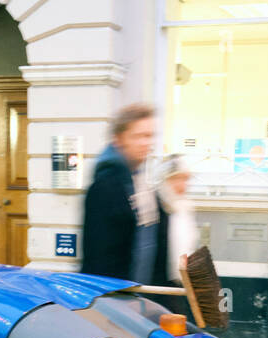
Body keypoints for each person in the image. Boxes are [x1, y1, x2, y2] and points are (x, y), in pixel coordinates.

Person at [80, 103, 169, 286]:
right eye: (139, 136)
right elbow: (99, 257)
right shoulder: (105, 187)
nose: (147, 143)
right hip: (117, 299)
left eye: (150, 136)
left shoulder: (140, 182)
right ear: (118, 139)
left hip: (143, 296)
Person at [156, 153, 199, 285]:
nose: (183, 185)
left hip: (181, 281)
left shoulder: (183, 208)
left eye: (185, 179)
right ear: (166, 180)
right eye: (177, 179)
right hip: (162, 282)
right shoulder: (159, 209)